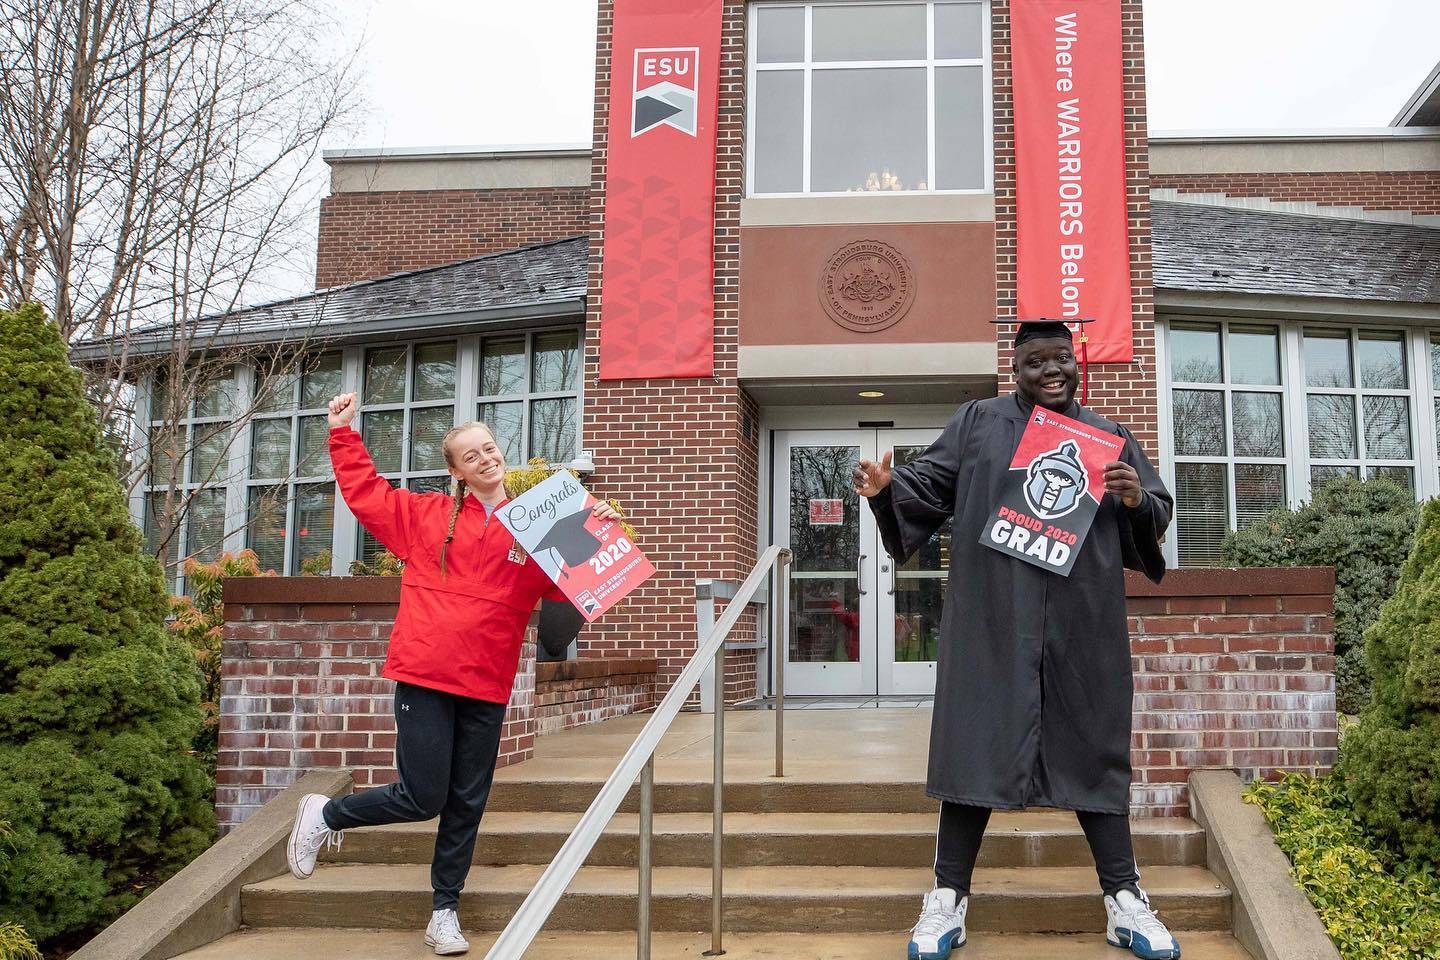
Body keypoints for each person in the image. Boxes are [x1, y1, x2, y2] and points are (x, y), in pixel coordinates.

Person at [852, 320, 1178, 960]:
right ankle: (947, 899)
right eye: (1035, 362)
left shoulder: (1109, 437)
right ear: (1016, 369)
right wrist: (890, 490)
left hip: (1082, 620)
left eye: (1061, 358)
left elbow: (1154, 512)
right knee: (973, 747)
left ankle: (1125, 900)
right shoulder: (979, 422)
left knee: (1094, 749)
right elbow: (930, 486)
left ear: (1076, 361)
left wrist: (1137, 499)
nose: (1051, 370)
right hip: (994, 617)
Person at [285, 391, 621, 956]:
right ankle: (326, 813)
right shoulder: (426, 517)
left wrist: (603, 532)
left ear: (501, 455)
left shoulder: (541, 524)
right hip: (426, 673)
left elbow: (582, 586)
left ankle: (444, 911)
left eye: (490, 448)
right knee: (423, 795)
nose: (485, 458)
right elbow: (367, 496)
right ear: (456, 470)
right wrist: (343, 434)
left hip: (487, 681)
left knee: (467, 802)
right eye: (471, 454)